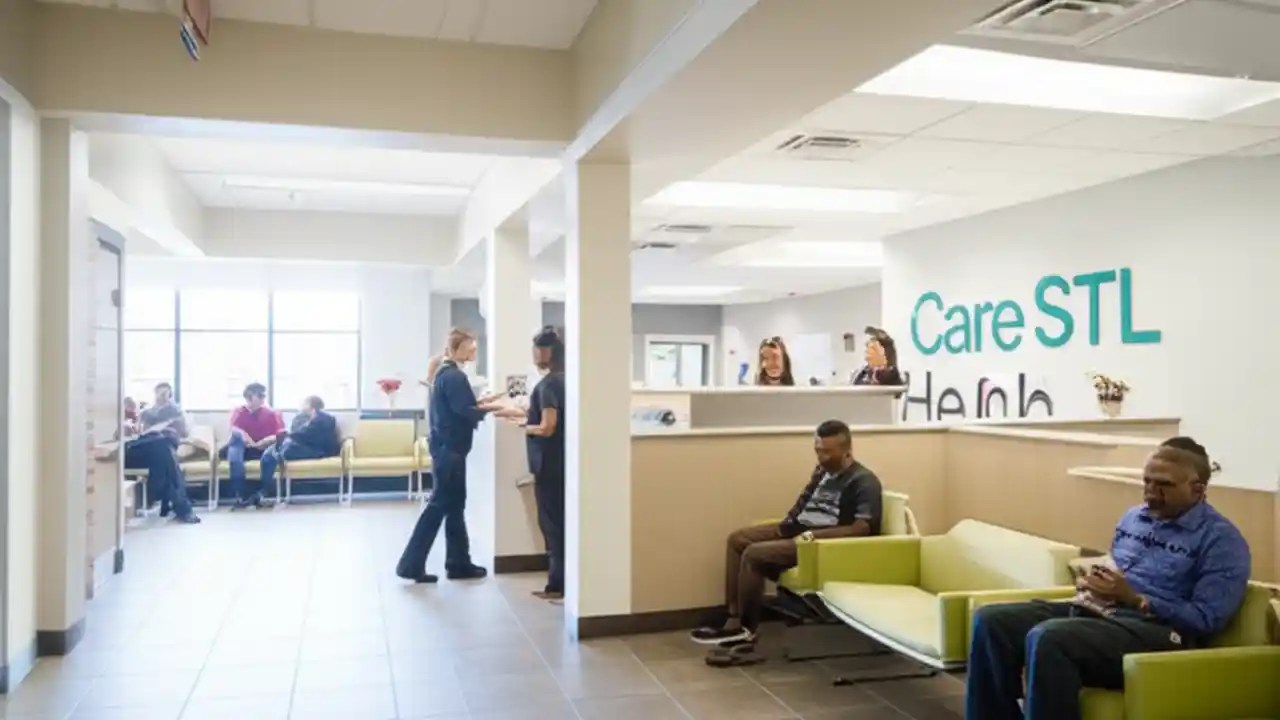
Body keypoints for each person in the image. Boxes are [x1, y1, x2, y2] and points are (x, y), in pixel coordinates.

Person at [965, 437, 1250, 720]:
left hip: (1163, 634)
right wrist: (1095, 583)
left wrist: (1137, 599)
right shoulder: (1133, 518)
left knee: (1051, 637)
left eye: (1163, 485)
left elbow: (1206, 618)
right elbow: (1117, 569)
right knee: (991, 621)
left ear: (1197, 490)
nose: (1150, 492)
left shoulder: (1222, 540)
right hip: (1103, 614)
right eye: (1147, 482)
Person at [690, 420, 883, 648]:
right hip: (798, 529)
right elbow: (804, 502)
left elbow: (862, 529)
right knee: (737, 540)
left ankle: (746, 629)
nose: (821, 457)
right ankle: (732, 616)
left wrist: (813, 537)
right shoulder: (822, 471)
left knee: (753, 554)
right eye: (817, 450)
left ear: (847, 449)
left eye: (827, 452)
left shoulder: (864, 480)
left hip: (820, 543)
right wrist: (786, 525)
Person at [396, 328, 501, 584]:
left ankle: (458, 562)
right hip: (450, 451)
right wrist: (489, 408)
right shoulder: (453, 376)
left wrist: (482, 405)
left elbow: (460, 408)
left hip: (447, 449)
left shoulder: (445, 375)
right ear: (456, 348)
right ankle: (411, 564)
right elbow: (464, 410)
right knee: (440, 504)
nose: (474, 351)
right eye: (470, 347)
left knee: (455, 505)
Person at [496, 326, 566, 600]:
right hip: (564, 464)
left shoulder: (547, 385)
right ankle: (564, 583)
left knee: (552, 526)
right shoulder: (566, 381)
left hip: (548, 466)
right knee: (563, 523)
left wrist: (526, 426)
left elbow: (548, 426)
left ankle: (556, 586)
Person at [123, 382, 201, 524]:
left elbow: (183, 432)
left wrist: (172, 425)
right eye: (160, 394)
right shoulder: (146, 412)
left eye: (165, 394)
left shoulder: (175, 411)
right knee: (163, 447)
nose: (162, 397)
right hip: (141, 446)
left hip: (161, 447)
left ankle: (161, 492)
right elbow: (140, 432)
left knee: (164, 450)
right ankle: (183, 508)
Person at [252, 395, 341, 507]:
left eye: (303, 403)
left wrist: (279, 437)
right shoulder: (314, 418)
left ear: (310, 405)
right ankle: (266, 491)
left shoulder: (323, 418)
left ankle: (267, 492)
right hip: (307, 447)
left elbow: (303, 434)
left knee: (279, 451)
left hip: (318, 451)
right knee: (269, 454)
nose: (301, 406)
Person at [222, 382, 286, 509]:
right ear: (249, 397)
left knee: (273, 451)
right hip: (244, 448)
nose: (263, 399)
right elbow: (234, 429)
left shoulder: (271, 413)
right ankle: (241, 495)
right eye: (260, 396)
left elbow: (278, 434)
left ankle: (261, 494)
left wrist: (264, 442)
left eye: (264, 396)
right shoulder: (239, 412)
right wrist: (246, 438)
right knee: (236, 442)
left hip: (263, 447)